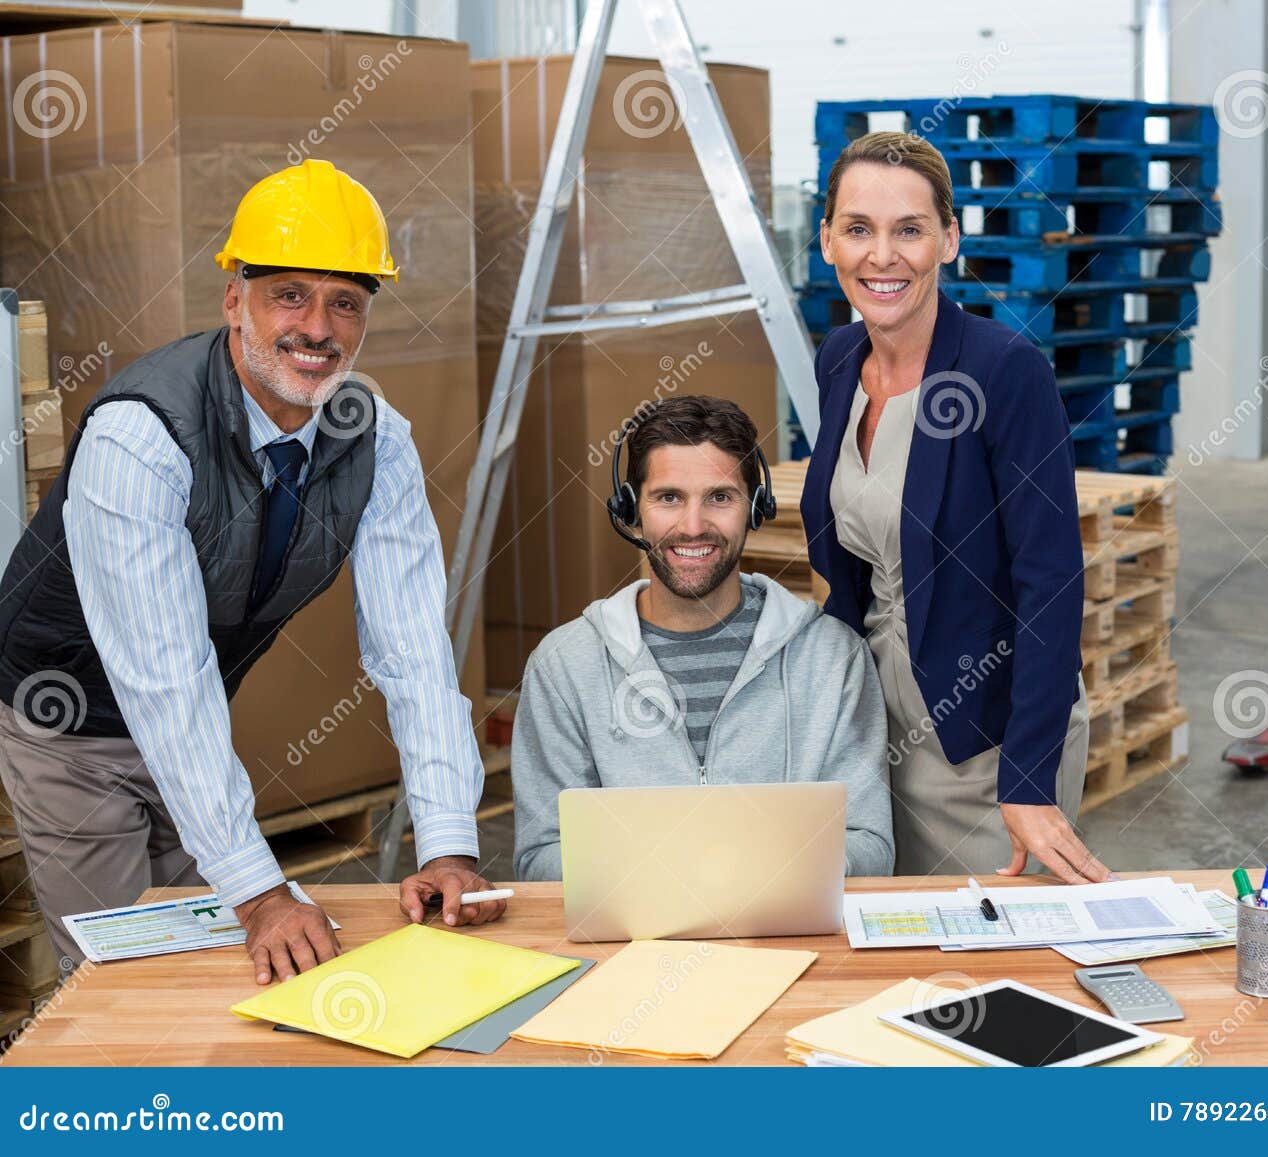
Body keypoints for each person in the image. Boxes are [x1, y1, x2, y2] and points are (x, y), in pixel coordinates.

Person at [0, 159, 505, 984]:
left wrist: (450, 845)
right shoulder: (142, 436)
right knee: (125, 982)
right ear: (235, 298)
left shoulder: (380, 443)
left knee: (220, 972)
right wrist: (261, 893)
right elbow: (164, 680)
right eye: (289, 294)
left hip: (196, 711)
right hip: (69, 721)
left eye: (345, 300)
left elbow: (415, 656)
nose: (317, 326)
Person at [801, 131, 1111, 884]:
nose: (884, 256)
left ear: (948, 239)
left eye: (909, 229)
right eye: (859, 229)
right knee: (883, 947)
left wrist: (1029, 779)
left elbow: (1051, 579)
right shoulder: (840, 359)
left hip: (985, 735)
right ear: (827, 242)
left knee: (983, 963)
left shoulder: (1004, 370)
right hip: (876, 721)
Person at [512, 395, 893, 880]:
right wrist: (702, 878)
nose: (693, 527)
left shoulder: (833, 656)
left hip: (791, 946)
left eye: (720, 497)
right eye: (669, 497)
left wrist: (748, 880)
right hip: (630, 949)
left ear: (756, 508)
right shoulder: (565, 665)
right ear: (631, 508)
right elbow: (541, 858)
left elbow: (871, 846)